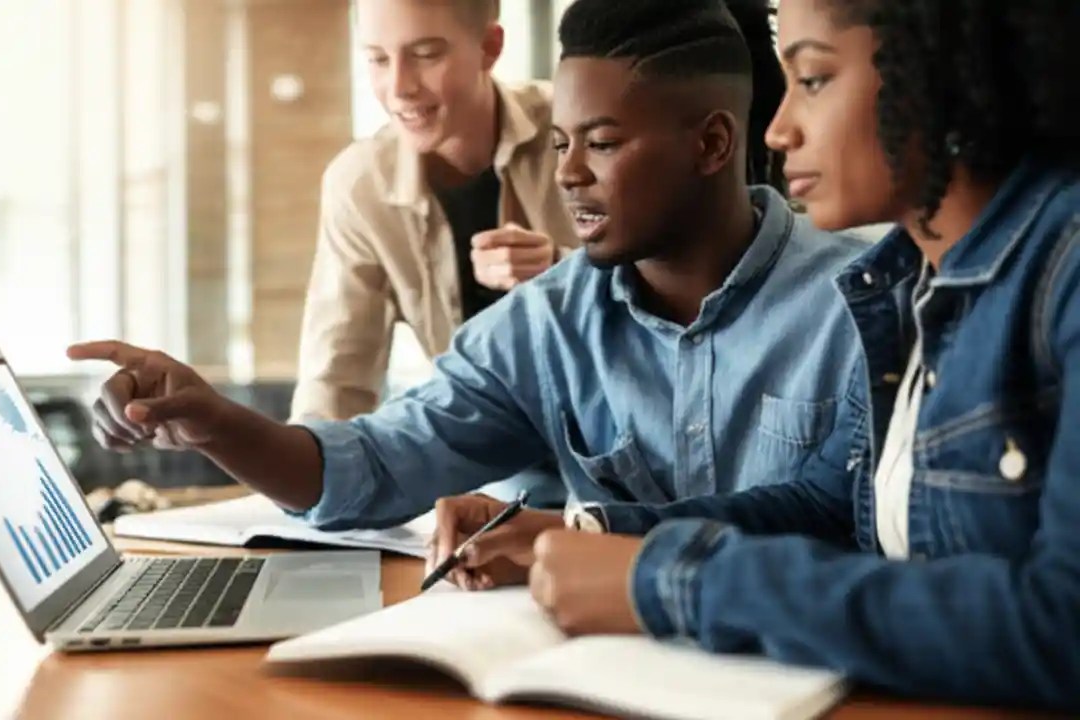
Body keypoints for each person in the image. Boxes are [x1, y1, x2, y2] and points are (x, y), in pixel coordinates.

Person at [448, 0, 1080, 711]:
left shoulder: (1066, 272)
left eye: (811, 79)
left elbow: (1063, 626)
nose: (777, 131)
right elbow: (827, 502)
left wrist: (668, 583)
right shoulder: (905, 286)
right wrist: (587, 532)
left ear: (943, 69)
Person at [67, 0, 866, 546]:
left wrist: (577, 536)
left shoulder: (868, 302)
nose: (570, 176)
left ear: (712, 146)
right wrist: (217, 421)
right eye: (559, 145)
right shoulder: (544, 324)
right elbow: (374, 465)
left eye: (604, 143)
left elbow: (859, 526)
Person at [291, 0, 577, 423]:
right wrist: (300, 478)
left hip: (626, 436)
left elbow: (678, 289)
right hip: (492, 450)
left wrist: (563, 271)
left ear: (489, 46)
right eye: (378, 59)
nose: (399, 87)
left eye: (426, 55)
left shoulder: (575, 129)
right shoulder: (360, 185)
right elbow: (335, 382)